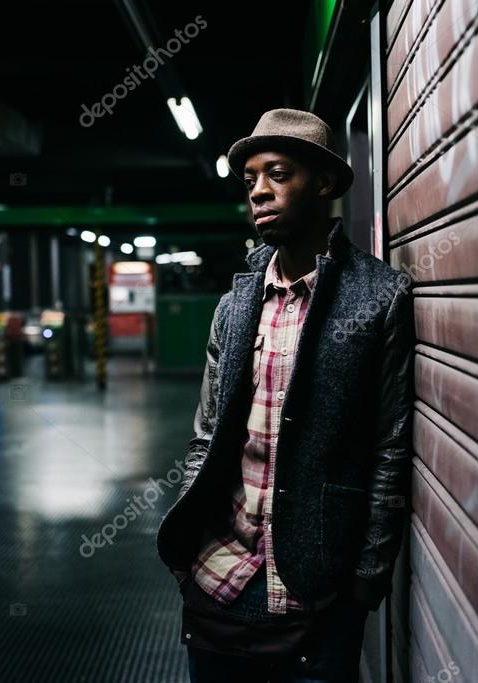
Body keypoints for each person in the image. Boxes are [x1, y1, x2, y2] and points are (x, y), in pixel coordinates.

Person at [156, 108, 415, 682]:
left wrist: (365, 582)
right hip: (218, 580)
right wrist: (188, 555)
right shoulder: (235, 305)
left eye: (277, 174)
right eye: (249, 181)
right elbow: (206, 434)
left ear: (323, 183)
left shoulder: (379, 297)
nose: (259, 192)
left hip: (317, 595)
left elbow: (390, 447)